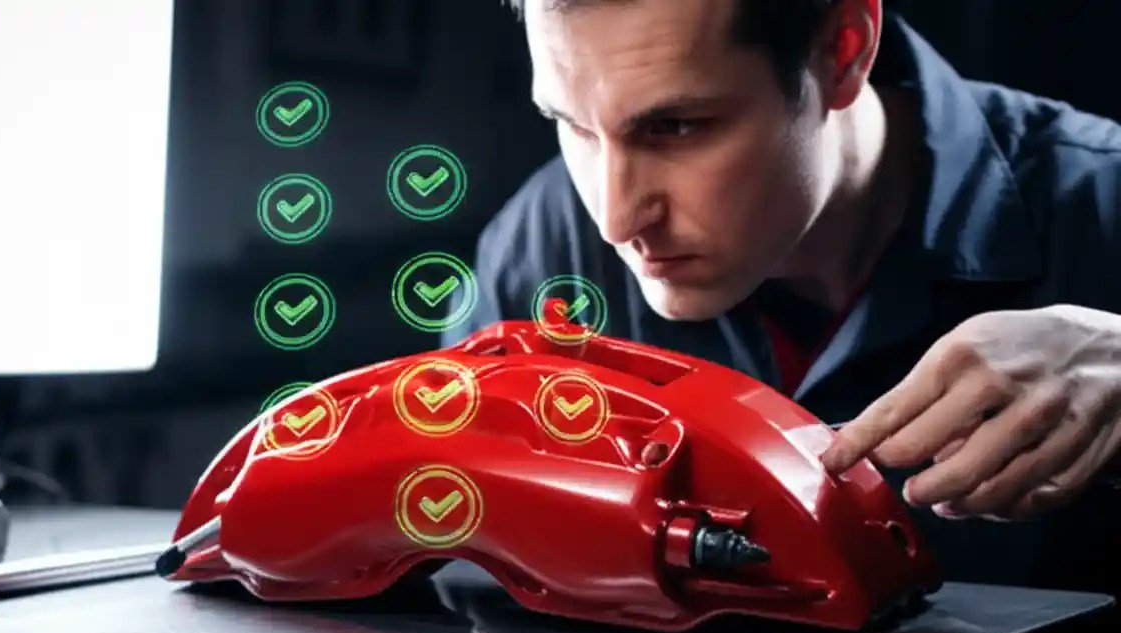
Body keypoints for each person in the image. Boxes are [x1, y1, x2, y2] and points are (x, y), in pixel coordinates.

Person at [442, 0, 1121, 596]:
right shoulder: (537, 256)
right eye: (576, 127)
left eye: (676, 127)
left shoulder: (1103, 206)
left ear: (842, 52)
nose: (616, 219)